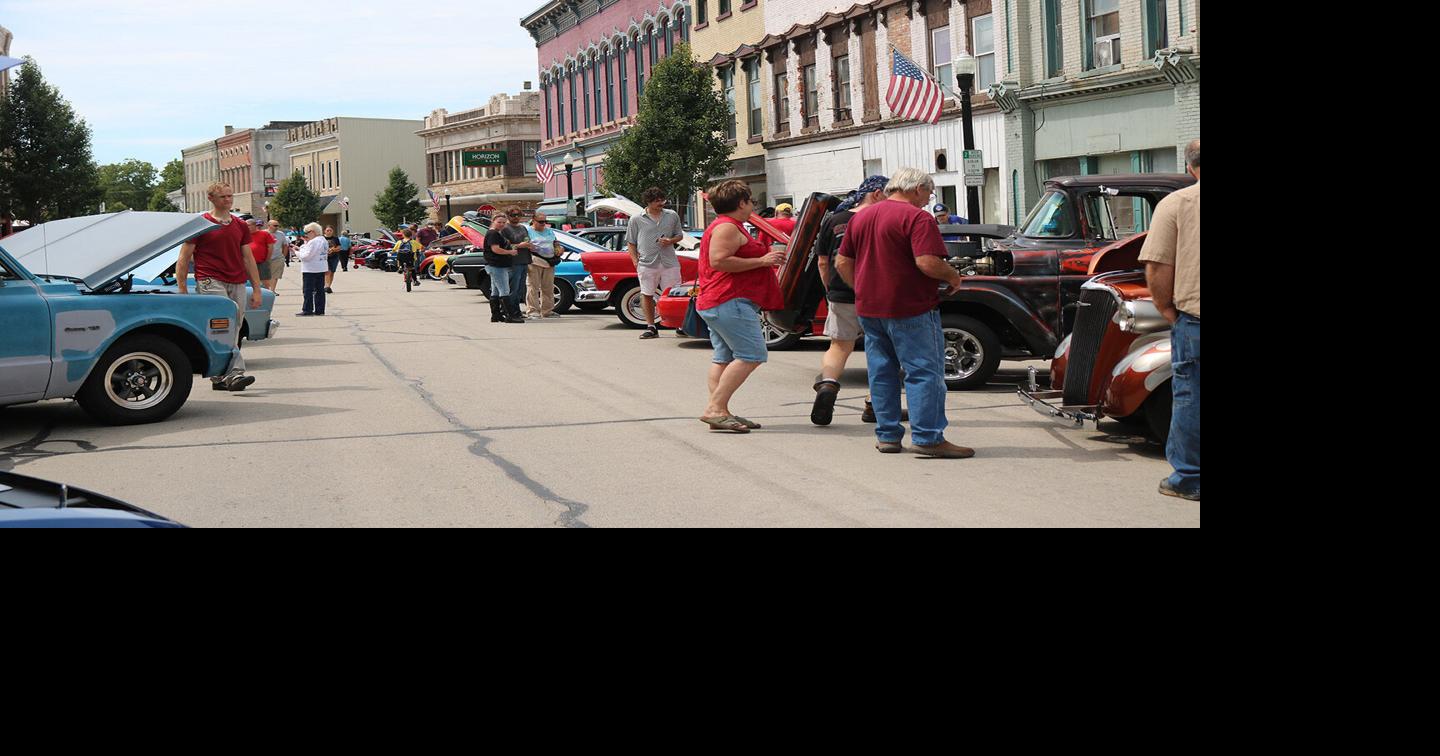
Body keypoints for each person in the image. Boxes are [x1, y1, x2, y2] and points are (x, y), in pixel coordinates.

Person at [835, 168, 973, 458]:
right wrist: (953, 277)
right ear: (916, 189)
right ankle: (927, 437)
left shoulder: (862, 217)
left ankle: (887, 436)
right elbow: (926, 262)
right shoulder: (917, 217)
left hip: (871, 308)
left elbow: (841, 262)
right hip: (910, 307)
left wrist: (861, 288)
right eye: (928, 193)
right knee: (924, 372)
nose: (927, 200)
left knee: (882, 372)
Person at [810, 175, 906, 426]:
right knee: (884, 350)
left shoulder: (834, 220)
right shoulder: (882, 218)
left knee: (839, 346)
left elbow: (822, 261)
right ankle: (875, 404)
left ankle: (828, 385)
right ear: (876, 193)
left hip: (841, 294)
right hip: (877, 295)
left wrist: (830, 288)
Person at [694, 180, 786, 433]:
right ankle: (715, 409)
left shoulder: (727, 225)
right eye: (750, 201)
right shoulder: (727, 227)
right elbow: (719, 261)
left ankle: (720, 412)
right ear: (741, 202)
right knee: (752, 354)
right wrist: (762, 260)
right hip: (730, 300)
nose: (752, 205)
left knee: (723, 358)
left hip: (719, 300)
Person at [1140, 138, 1201, 502]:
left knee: (1192, 397)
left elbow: (1159, 268)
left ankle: (1189, 477)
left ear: (1191, 167)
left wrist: (1167, 309)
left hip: (1195, 317)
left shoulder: (1177, 205)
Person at [175, 182, 262, 392]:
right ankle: (234, 373)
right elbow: (184, 257)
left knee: (234, 328)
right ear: (211, 199)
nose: (228, 200)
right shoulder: (201, 224)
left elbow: (248, 258)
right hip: (209, 279)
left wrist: (257, 289)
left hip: (237, 280)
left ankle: (219, 375)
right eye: (223, 197)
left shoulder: (240, 225)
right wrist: (182, 288)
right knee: (223, 325)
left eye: (230, 196)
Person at [625, 187, 685, 339]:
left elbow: (679, 235)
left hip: (669, 261)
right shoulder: (636, 218)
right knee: (647, 293)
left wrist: (671, 240)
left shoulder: (672, 216)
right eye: (656, 201)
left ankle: (679, 325)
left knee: (674, 293)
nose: (660, 203)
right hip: (646, 262)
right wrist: (635, 261)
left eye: (662, 200)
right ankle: (651, 326)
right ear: (648, 202)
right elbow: (631, 242)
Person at [483, 213, 524, 323]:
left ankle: (496, 315)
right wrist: (510, 252)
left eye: (503, 222)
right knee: (504, 290)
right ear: (493, 221)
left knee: (495, 291)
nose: (501, 224)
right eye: (499, 222)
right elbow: (495, 249)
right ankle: (510, 316)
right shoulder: (493, 233)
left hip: (496, 265)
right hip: (497, 265)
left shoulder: (496, 233)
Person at [525, 211, 562, 318]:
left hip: (550, 261)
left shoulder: (549, 231)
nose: (543, 224)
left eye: (545, 221)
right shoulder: (528, 231)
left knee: (548, 287)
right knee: (533, 287)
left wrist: (558, 249)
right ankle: (532, 311)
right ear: (533, 221)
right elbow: (525, 243)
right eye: (541, 221)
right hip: (535, 261)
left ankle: (547, 311)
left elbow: (555, 242)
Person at [500, 207, 535, 317]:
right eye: (513, 215)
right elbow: (504, 246)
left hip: (524, 260)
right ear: (508, 216)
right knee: (513, 288)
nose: (516, 217)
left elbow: (526, 240)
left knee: (520, 289)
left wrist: (529, 245)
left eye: (518, 215)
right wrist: (520, 245)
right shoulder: (505, 229)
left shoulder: (523, 228)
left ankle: (517, 311)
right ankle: (510, 312)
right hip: (513, 262)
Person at [294, 222, 330, 316]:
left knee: (308, 290)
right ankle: (320, 309)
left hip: (310, 269)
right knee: (319, 290)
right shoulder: (323, 240)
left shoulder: (314, 241)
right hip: (320, 267)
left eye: (307, 232)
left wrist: (296, 252)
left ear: (313, 232)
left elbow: (306, 256)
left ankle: (307, 309)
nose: (306, 235)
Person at [245, 216, 278, 293]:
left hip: (261, 262)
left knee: (265, 281)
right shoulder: (244, 235)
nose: (246, 227)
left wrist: (267, 259)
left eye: (248, 225)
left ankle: (266, 295)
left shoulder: (264, 234)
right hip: (248, 263)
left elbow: (270, 247)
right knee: (248, 281)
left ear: (254, 225)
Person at [265, 219, 287, 291]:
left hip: (277, 258)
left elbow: (285, 246)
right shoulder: (263, 233)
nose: (277, 227)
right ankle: (266, 290)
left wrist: (283, 256)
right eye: (275, 225)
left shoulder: (281, 234)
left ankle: (272, 291)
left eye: (277, 226)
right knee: (265, 276)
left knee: (275, 275)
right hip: (265, 258)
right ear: (269, 226)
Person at [323, 225, 340, 293]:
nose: (329, 232)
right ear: (325, 231)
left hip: (334, 257)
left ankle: (329, 286)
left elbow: (339, 247)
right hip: (325, 258)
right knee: (327, 271)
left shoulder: (335, 238)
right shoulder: (322, 238)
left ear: (332, 231)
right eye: (327, 230)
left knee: (332, 272)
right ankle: (326, 286)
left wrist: (333, 249)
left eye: (330, 230)